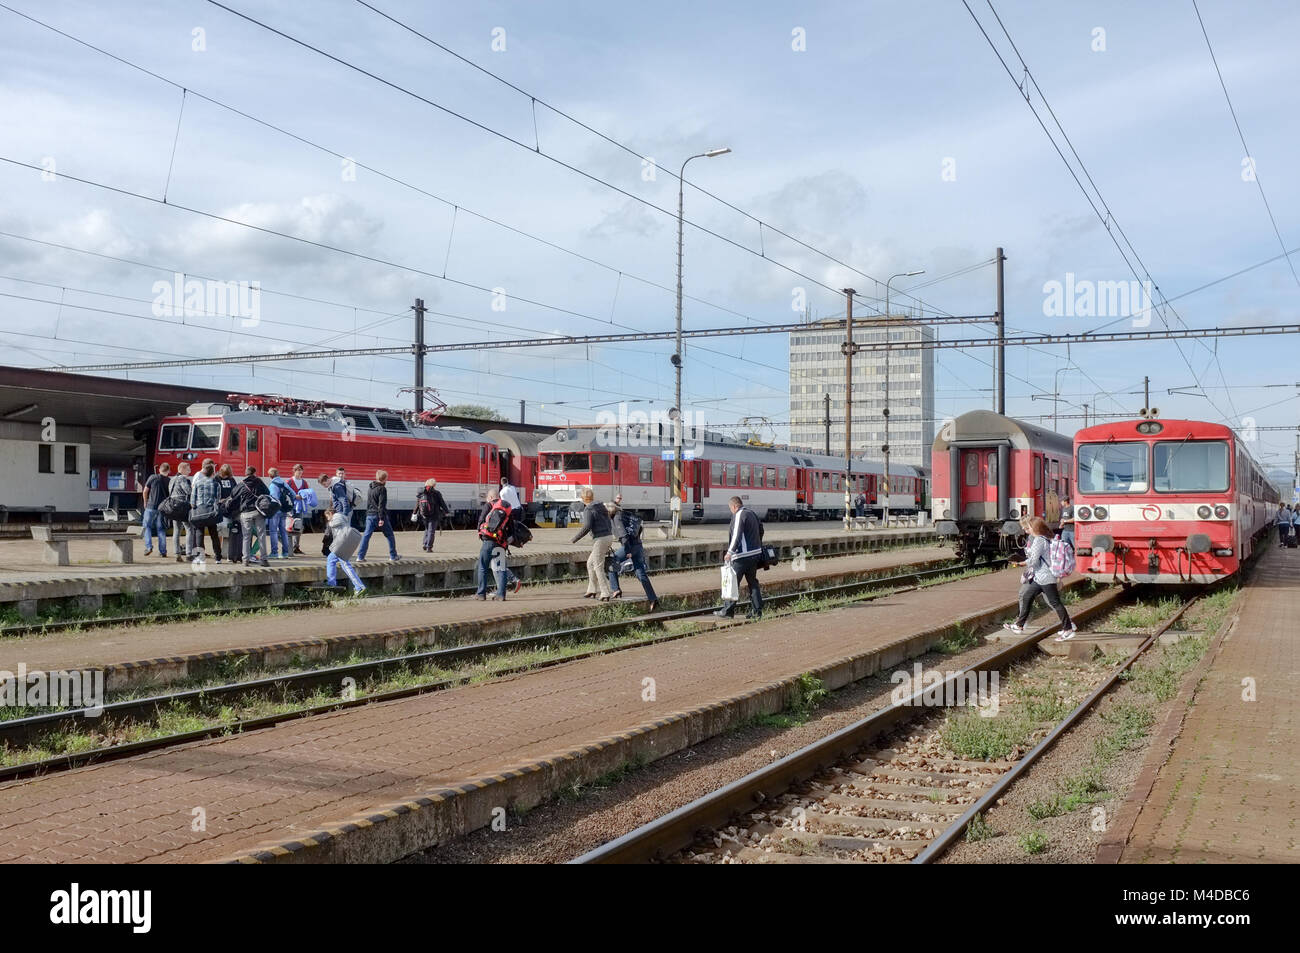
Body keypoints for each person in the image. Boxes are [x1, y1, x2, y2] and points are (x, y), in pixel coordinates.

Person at [1003, 516, 1076, 640]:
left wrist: (1021, 563)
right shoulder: (1044, 538)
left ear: (1034, 528)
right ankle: (1019, 625)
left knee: (1055, 603)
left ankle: (1068, 628)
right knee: (1026, 596)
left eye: (1029, 527)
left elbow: (1033, 560)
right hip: (1039, 577)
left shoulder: (1038, 540)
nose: (1027, 529)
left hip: (1045, 576)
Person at [606, 494, 658, 611]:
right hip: (638, 546)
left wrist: (628, 550)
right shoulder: (624, 515)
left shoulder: (616, 518)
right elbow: (639, 528)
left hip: (629, 547)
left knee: (612, 563)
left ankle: (616, 589)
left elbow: (623, 535)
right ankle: (653, 599)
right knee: (640, 573)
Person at [715, 496, 764, 620]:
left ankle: (728, 611)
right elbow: (761, 530)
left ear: (734, 506)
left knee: (732, 583)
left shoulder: (739, 515)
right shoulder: (751, 513)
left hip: (742, 556)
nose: (731, 511)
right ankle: (757, 611)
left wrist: (730, 552)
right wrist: (757, 545)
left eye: (730, 508)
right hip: (754, 555)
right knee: (753, 582)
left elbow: (737, 535)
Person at [571, 487, 614, 600]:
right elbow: (609, 521)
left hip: (600, 539)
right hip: (608, 536)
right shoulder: (601, 506)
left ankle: (605, 593)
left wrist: (575, 538)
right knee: (590, 564)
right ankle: (592, 590)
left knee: (598, 566)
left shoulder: (588, 509)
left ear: (583, 498)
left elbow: (587, 527)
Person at [475, 489, 521, 594]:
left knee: (483, 567)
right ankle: (501, 593)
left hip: (489, 541)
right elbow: (511, 527)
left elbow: (481, 521)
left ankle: (481, 593)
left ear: (490, 497)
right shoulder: (506, 508)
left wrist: (481, 534)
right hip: (501, 542)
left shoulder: (488, 506)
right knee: (500, 568)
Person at [231, 465, 271, 567]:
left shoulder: (241, 484)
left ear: (246, 473)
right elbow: (268, 493)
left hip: (245, 513)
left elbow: (233, 495)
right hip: (258, 512)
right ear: (254, 473)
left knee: (246, 537)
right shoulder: (259, 482)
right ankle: (264, 560)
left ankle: (245, 560)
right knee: (261, 535)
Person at [357, 470, 399, 562]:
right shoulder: (382, 489)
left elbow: (369, 503)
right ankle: (393, 556)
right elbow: (381, 505)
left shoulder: (370, 487)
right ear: (384, 479)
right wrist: (381, 518)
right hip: (378, 515)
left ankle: (360, 556)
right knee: (390, 535)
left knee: (366, 536)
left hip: (369, 515)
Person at [323, 506, 366, 595]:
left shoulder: (336, 517)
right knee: (343, 563)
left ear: (330, 513)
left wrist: (329, 522)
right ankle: (359, 586)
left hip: (342, 543)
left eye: (327, 517)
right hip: (343, 543)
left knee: (334, 560)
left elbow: (332, 525)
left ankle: (332, 585)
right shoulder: (341, 517)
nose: (327, 519)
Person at [188, 459, 222, 562]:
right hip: (211, 512)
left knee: (199, 534)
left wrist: (195, 507)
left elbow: (192, 501)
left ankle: (200, 557)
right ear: (213, 473)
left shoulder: (197, 483)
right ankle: (218, 557)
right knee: (214, 535)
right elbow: (218, 500)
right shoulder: (216, 484)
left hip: (199, 512)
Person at [141, 463, 171, 557]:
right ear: (168, 471)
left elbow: (145, 491)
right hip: (162, 508)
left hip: (151, 506)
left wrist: (145, 502)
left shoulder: (152, 477)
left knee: (147, 527)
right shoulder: (169, 480)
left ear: (159, 470)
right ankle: (163, 552)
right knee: (161, 529)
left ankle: (149, 547)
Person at [167, 461, 194, 563]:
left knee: (177, 531)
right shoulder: (182, 478)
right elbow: (188, 491)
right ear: (182, 469)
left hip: (173, 506)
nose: (190, 471)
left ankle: (177, 553)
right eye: (188, 469)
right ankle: (188, 554)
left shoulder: (172, 479)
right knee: (189, 529)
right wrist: (192, 486)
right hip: (182, 506)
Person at [415, 478, 449, 552]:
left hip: (424, 515)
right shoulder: (436, 493)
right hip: (434, 514)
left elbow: (417, 504)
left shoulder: (421, 493)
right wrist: (446, 511)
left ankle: (425, 544)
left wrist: (414, 513)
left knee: (427, 529)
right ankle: (429, 547)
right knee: (431, 531)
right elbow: (442, 503)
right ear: (434, 485)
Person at [265, 467, 292, 559]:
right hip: (284, 510)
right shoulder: (284, 482)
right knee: (283, 531)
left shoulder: (273, 485)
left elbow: (274, 499)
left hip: (276, 511)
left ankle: (274, 552)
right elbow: (292, 493)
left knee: (273, 531)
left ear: (270, 476)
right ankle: (285, 552)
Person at [216, 464, 241, 562]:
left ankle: (223, 553)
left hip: (225, 508)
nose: (225, 477)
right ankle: (223, 553)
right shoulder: (229, 480)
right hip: (225, 508)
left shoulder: (219, 479)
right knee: (224, 531)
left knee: (224, 530)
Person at [286, 464, 311, 555]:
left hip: (300, 507)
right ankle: (289, 548)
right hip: (291, 507)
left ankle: (296, 547)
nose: (299, 472)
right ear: (294, 471)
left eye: (301, 470)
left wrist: (304, 497)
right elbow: (285, 492)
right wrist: (294, 496)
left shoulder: (304, 482)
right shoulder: (289, 481)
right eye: (297, 470)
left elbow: (307, 493)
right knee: (289, 526)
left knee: (298, 526)